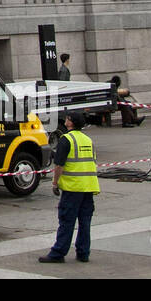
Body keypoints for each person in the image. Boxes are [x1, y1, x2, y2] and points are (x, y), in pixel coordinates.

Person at [39, 112, 99, 263]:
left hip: (73, 188)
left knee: (67, 221)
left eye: (67, 118)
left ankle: (58, 253)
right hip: (88, 187)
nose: (65, 120)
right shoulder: (88, 140)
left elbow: (59, 165)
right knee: (85, 222)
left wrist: (55, 183)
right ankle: (83, 253)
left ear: (70, 122)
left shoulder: (66, 140)